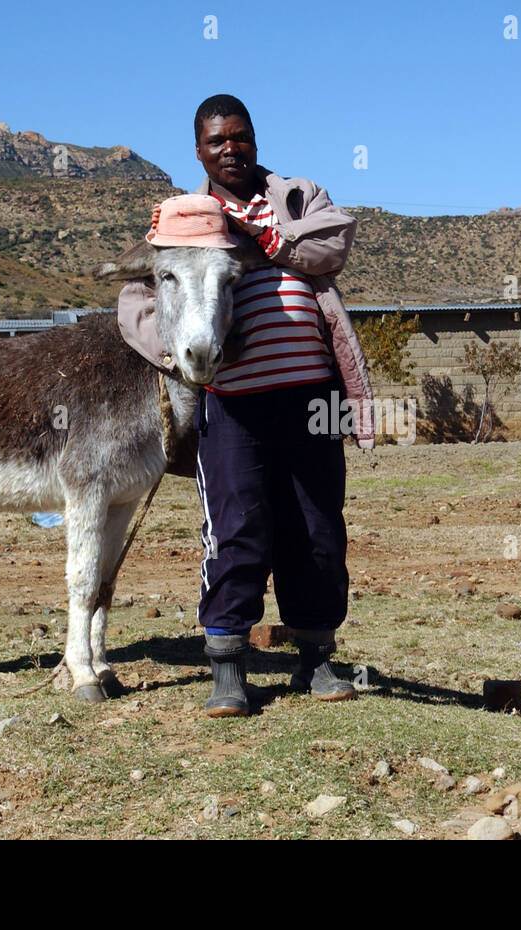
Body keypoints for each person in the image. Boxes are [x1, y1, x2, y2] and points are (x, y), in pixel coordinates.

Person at [117, 94, 375, 717]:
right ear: (199, 150)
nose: (230, 148)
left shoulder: (297, 198)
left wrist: (263, 237)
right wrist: (180, 350)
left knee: (316, 526)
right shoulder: (184, 216)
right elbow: (135, 302)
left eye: (240, 136)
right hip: (232, 401)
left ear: (255, 138)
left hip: (313, 396)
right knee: (234, 526)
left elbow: (330, 247)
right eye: (216, 140)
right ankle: (228, 667)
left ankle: (316, 659)